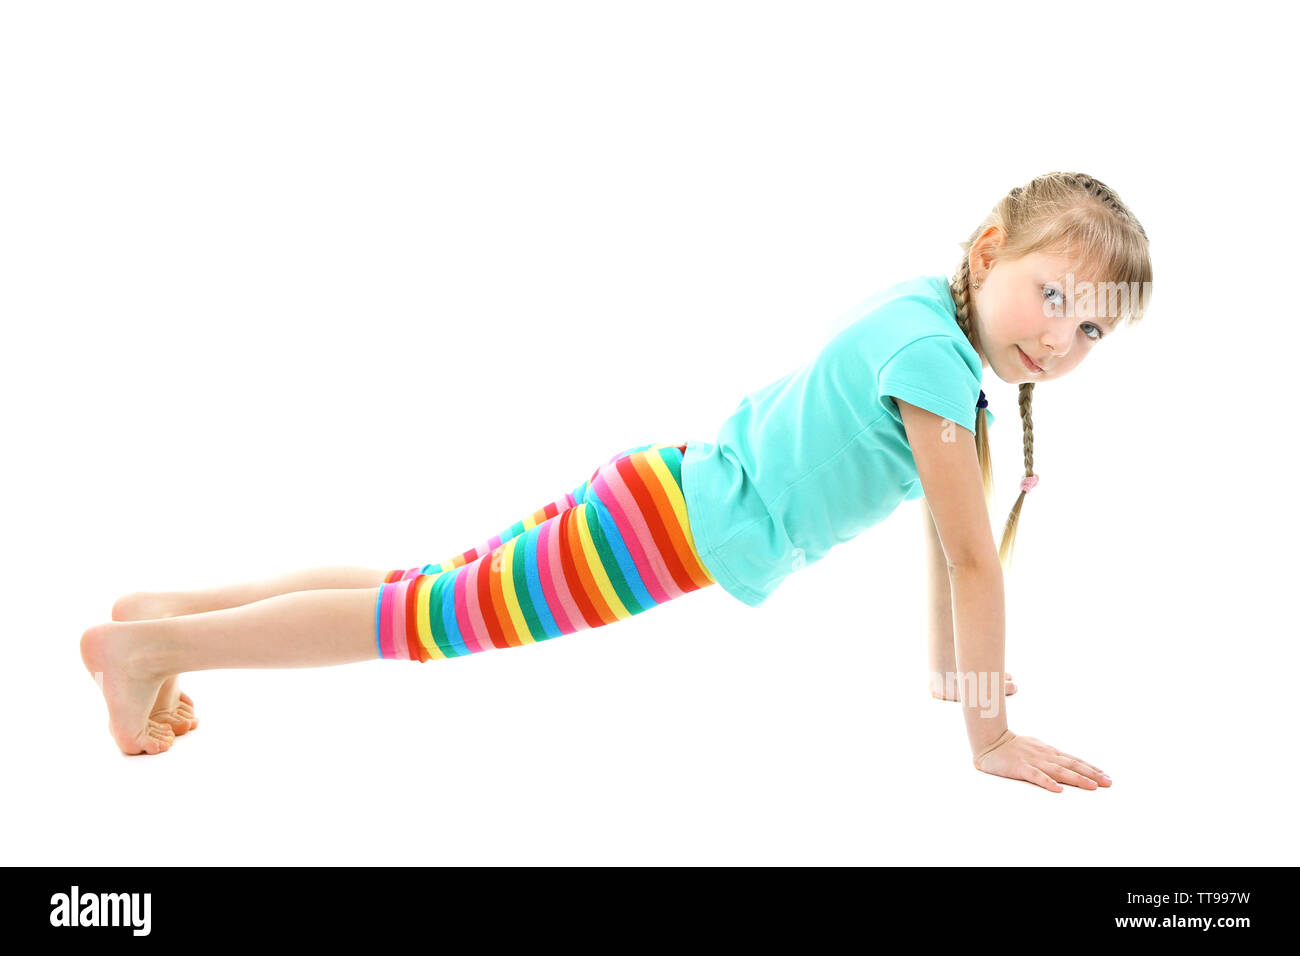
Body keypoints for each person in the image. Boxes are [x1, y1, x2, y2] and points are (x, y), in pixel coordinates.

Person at [81, 171, 1152, 792]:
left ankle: (164, 614)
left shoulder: (929, 322)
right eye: (1052, 294)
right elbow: (970, 556)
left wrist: (949, 678)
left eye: (1093, 325)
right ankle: (154, 649)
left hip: (657, 492)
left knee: (419, 583)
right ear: (987, 247)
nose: (1063, 339)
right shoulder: (934, 365)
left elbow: (943, 538)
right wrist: (989, 735)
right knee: (417, 618)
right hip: (654, 536)